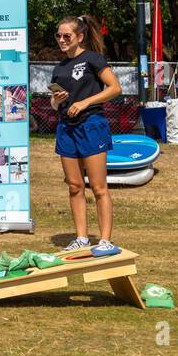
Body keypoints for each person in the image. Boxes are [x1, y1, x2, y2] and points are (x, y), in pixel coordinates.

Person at [50, 14, 122, 255]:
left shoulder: (93, 59)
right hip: (66, 128)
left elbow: (115, 88)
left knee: (99, 187)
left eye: (67, 36)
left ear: (79, 36)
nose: (62, 40)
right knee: (74, 186)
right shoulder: (59, 69)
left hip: (91, 125)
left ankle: (105, 240)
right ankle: (81, 237)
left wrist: (84, 102)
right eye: (58, 36)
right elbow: (54, 104)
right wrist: (55, 100)